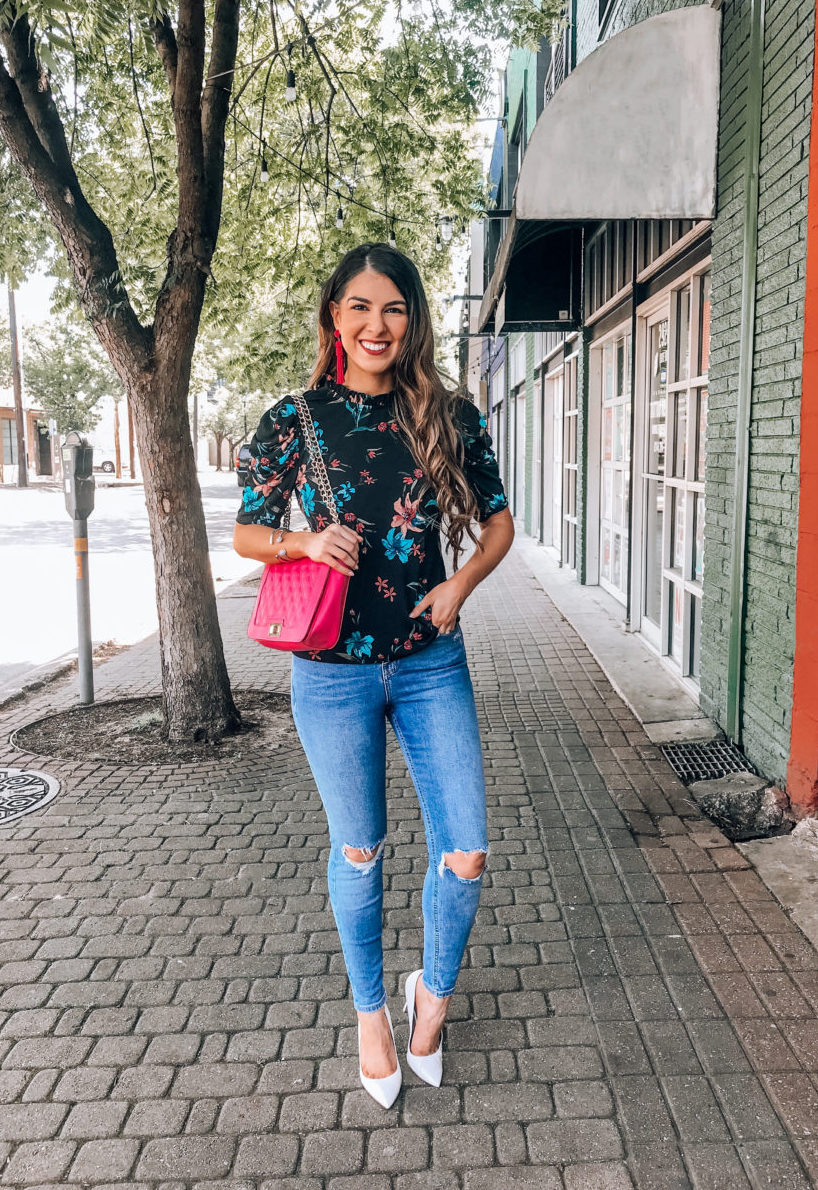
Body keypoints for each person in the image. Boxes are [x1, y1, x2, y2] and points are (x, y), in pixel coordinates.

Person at [233, 242, 514, 1108]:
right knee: (359, 852)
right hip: (331, 671)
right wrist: (303, 540)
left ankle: (430, 995)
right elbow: (246, 530)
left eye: (392, 308)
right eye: (358, 307)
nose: (375, 324)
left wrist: (458, 585)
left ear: (412, 320)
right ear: (334, 319)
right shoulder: (296, 419)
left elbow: (499, 524)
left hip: (431, 661)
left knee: (464, 851)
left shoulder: (450, 415)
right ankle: (369, 1015)